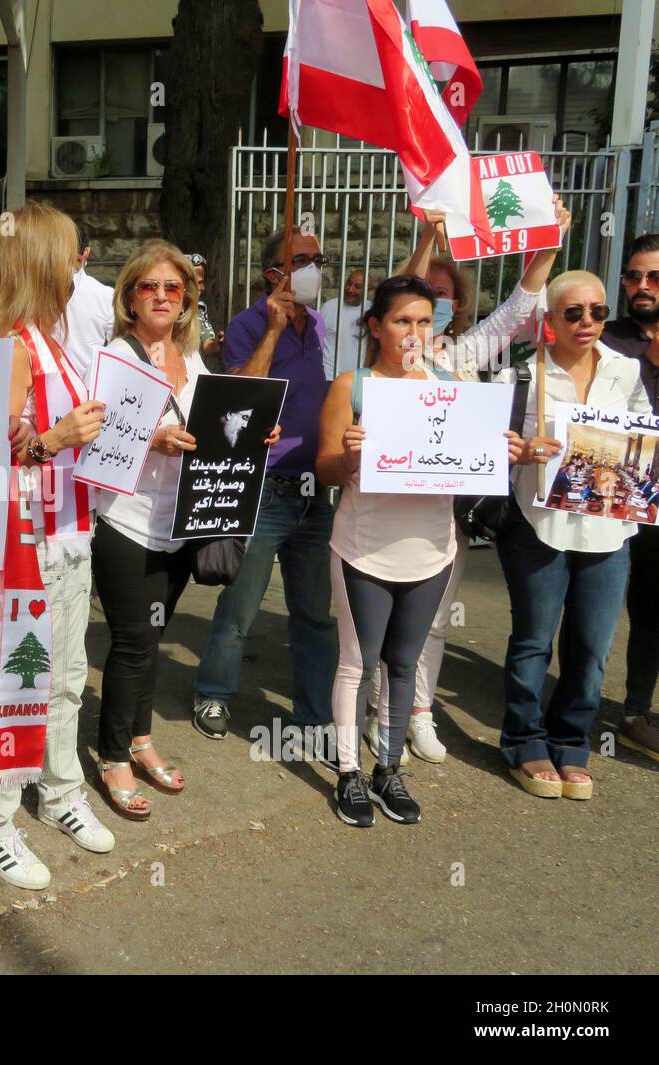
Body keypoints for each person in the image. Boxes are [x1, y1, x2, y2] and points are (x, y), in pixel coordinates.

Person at [360, 201, 573, 766]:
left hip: (443, 514)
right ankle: (382, 714)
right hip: (380, 512)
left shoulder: (463, 354)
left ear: (451, 308)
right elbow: (398, 287)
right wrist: (428, 238)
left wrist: (549, 242)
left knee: (429, 622)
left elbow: (517, 308)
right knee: (380, 624)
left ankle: (419, 713)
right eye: (414, 304)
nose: (424, 309)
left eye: (437, 299)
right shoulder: (386, 360)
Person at [316, 275, 523, 828]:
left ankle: (388, 770)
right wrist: (352, 457)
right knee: (357, 664)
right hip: (364, 548)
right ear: (376, 326)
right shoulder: (352, 387)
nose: (414, 331)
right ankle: (348, 773)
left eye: (424, 321)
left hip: (433, 550)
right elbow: (325, 469)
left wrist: (507, 454)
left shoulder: (453, 386)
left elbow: (475, 466)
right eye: (402, 320)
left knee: (404, 663)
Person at [92, 239, 279, 818]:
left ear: (188, 298)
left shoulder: (192, 358)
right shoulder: (117, 358)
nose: (161, 296)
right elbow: (91, 437)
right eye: (149, 286)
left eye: (173, 287)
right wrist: (150, 439)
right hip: (127, 521)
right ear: (129, 296)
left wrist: (252, 437)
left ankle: (141, 738)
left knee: (153, 638)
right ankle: (112, 755)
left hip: (183, 519)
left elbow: (217, 422)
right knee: (131, 645)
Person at [0, 202, 112, 890]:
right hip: (23, 544)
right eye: (71, 256)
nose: (80, 267)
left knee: (66, 677)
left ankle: (58, 791)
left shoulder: (49, 337)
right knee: (13, 682)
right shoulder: (11, 344)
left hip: (67, 532)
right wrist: (56, 440)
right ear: (43, 265)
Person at [495, 270, 651, 800]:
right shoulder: (519, 377)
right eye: (574, 313)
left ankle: (571, 745)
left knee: (591, 648)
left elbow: (646, 434)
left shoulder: (625, 370)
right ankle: (523, 742)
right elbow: (487, 443)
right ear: (550, 320)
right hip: (540, 525)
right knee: (533, 642)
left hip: (609, 529)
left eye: (599, 312)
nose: (588, 322)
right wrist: (518, 447)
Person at [190, 228, 337, 746]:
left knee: (315, 614)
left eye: (318, 258)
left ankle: (316, 714)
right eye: (302, 260)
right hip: (265, 488)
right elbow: (241, 398)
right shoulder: (247, 324)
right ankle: (214, 693)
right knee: (240, 607)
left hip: (314, 490)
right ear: (274, 273)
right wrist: (273, 331)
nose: (315, 267)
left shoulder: (317, 323)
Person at [601, 233, 659, 760]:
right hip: (621, 499)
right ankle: (633, 712)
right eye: (634, 276)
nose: (642, 286)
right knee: (635, 606)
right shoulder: (606, 336)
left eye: (654, 277)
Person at [59, 221, 114, 383]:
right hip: (90, 393)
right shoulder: (106, 296)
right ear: (87, 252)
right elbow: (117, 354)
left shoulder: (32, 292)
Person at [318, 269, 367, 380]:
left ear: (367, 290)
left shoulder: (370, 310)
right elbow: (316, 340)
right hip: (330, 377)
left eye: (357, 287)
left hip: (359, 378)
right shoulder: (330, 307)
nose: (350, 289)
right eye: (348, 283)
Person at [188, 252, 226, 371]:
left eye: (202, 282)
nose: (203, 287)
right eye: (198, 282)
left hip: (194, 375)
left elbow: (208, 347)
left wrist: (219, 342)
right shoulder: (164, 312)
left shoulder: (199, 310)